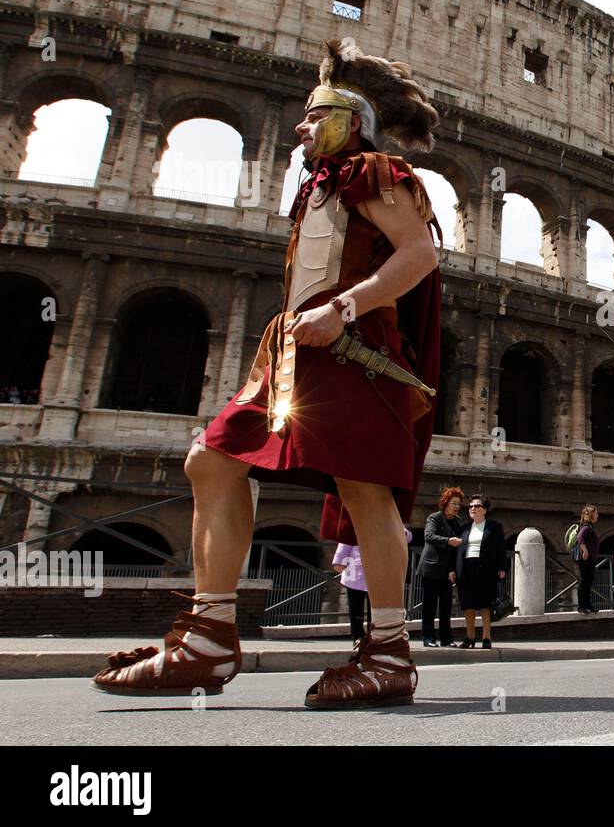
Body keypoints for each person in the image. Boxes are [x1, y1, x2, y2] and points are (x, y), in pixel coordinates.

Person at [91, 39, 442, 708]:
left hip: (354, 345)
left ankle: (391, 654)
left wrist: (345, 306)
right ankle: (210, 637)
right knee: (211, 459)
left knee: (365, 492)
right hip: (293, 351)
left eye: (314, 117)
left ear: (350, 121)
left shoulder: (376, 172)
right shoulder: (319, 187)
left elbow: (419, 254)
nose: (300, 127)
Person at [451, 494, 508, 649]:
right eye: (471, 506)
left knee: (485, 604)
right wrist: (452, 569)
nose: (473, 509)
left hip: (486, 568)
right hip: (466, 567)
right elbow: (455, 551)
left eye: (477, 506)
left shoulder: (494, 527)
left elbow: (500, 548)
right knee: (467, 604)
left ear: (485, 510)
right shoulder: (463, 527)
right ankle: (469, 637)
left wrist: (502, 567)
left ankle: (486, 637)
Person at [420, 487, 465, 647]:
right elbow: (429, 536)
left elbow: (456, 549)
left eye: (459, 504)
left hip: (447, 570)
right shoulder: (434, 518)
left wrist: (453, 569)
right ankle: (428, 638)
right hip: (431, 568)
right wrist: (447, 541)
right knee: (429, 606)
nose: (456, 506)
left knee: (446, 607)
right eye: (454, 503)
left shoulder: (457, 522)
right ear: (445, 503)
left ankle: (446, 638)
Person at [575, 504, 600, 614]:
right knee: (584, 582)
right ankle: (581, 606)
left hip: (590, 559)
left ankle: (588, 604)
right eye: (596, 513)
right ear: (591, 515)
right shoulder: (586, 527)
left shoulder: (589, 527)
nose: (598, 515)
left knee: (588, 582)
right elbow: (580, 537)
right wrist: (585, 551)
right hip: (586, 559)